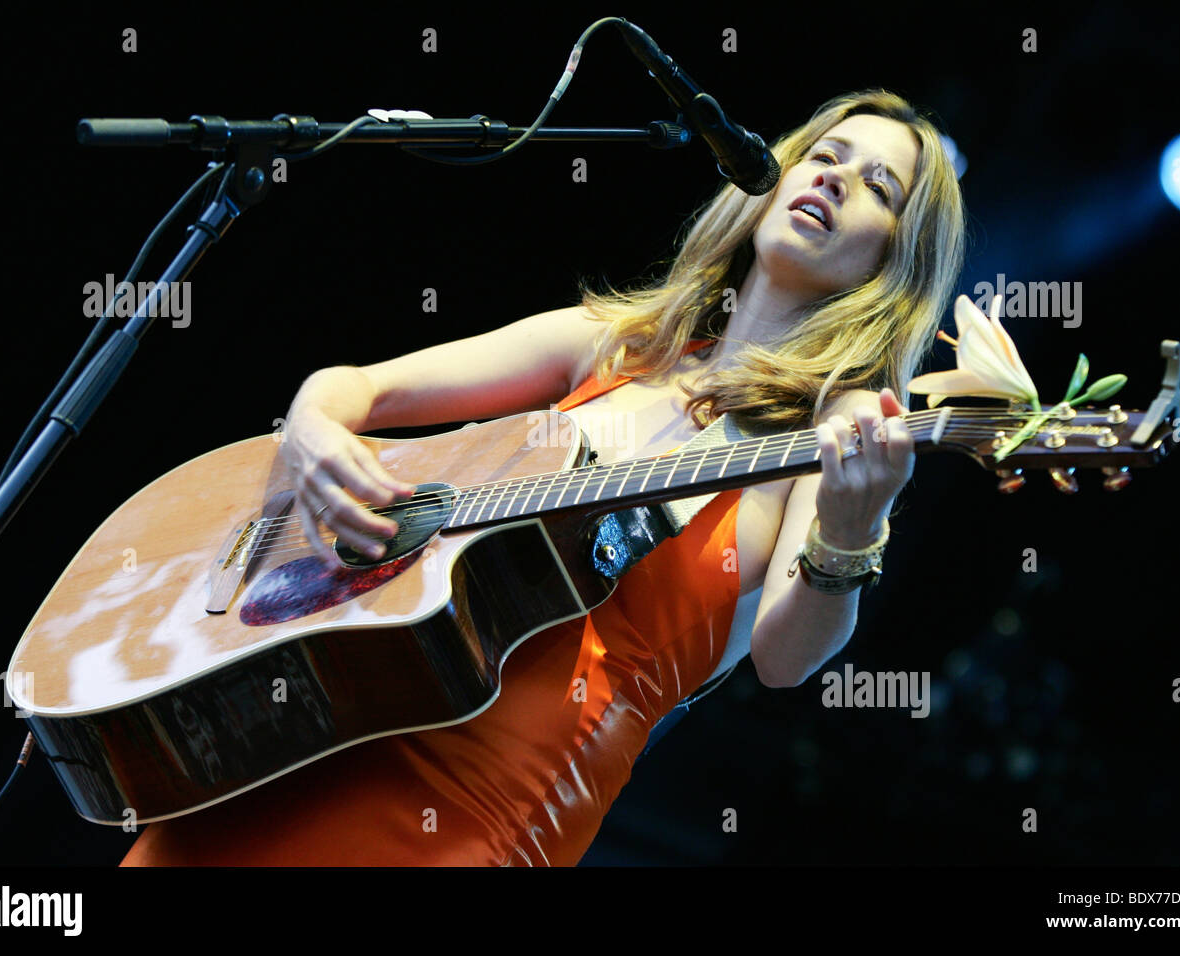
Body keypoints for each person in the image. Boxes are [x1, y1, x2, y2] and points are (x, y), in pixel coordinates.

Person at [120, 88, 967, 866]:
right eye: (825, 154)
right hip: (322, 725)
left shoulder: (833, 439)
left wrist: (853, 530)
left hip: (475, 814)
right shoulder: (618, 343)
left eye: (878, 187)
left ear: (896, 263)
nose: (833, 179)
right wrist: (312, 425)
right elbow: (362, 389)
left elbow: (787, 658)